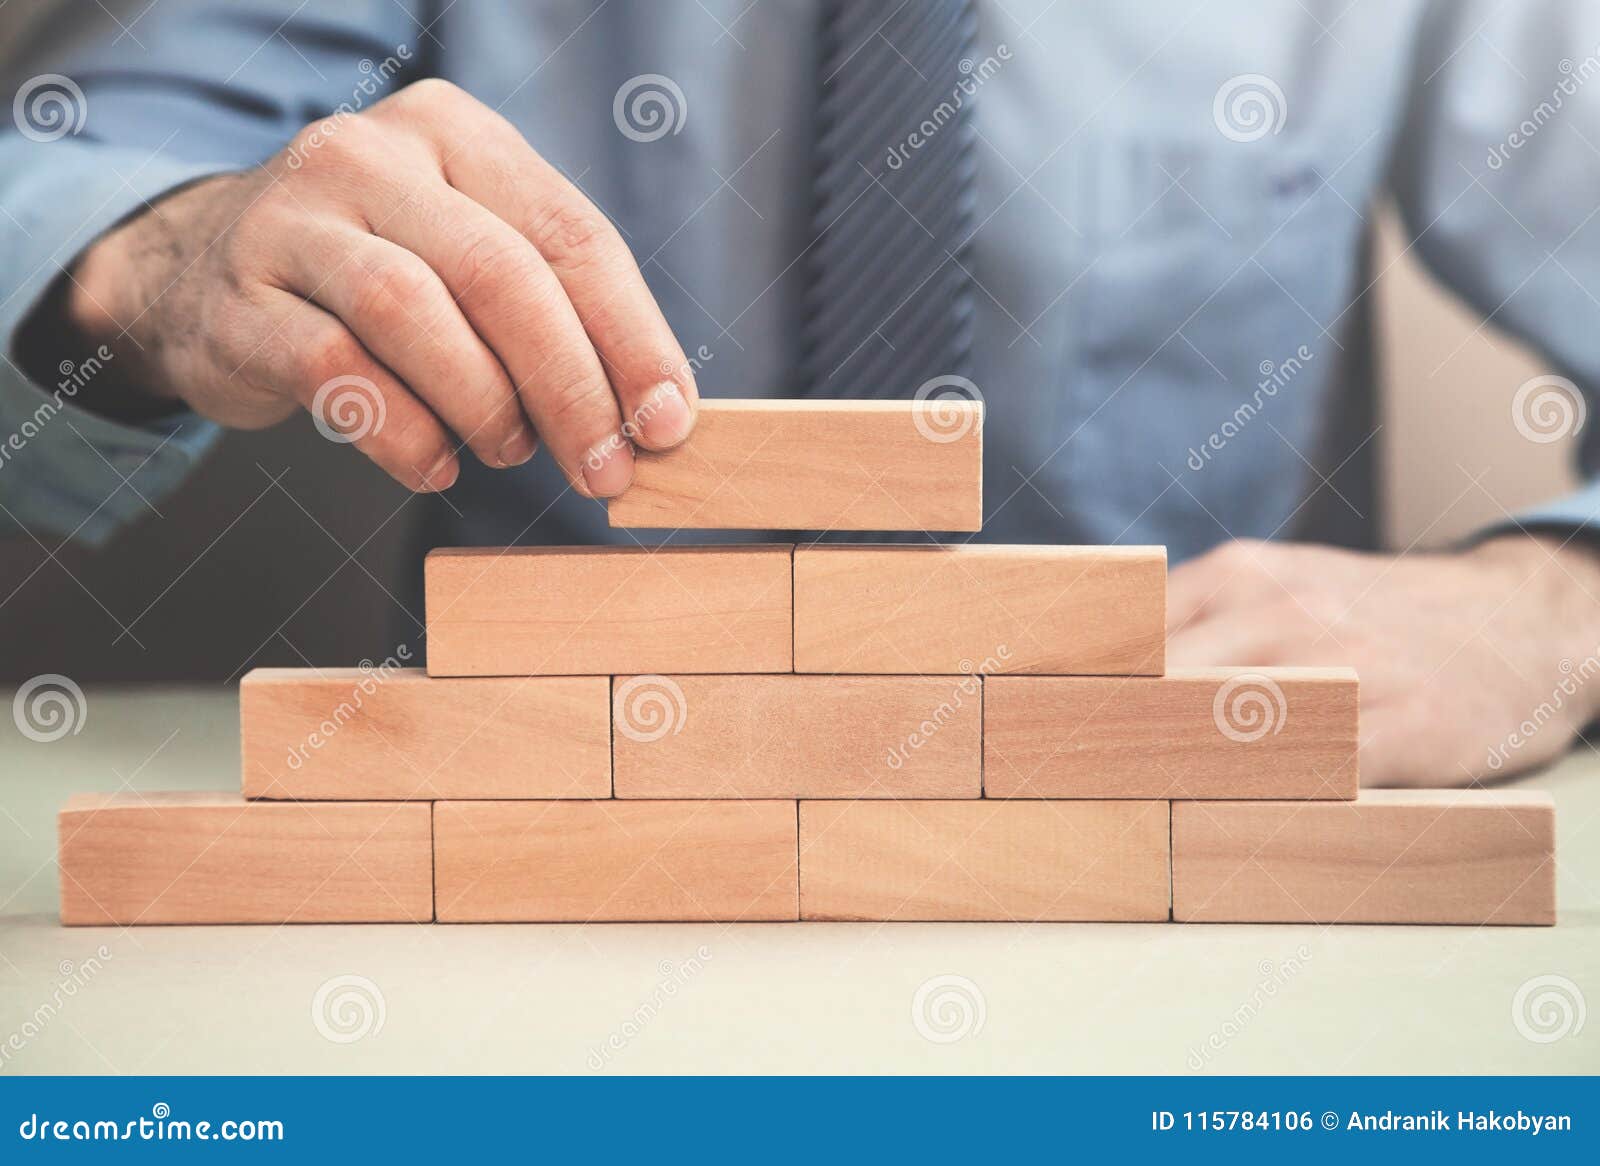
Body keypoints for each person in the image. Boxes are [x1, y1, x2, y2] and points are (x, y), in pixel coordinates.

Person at [2, 0, 1597, 786]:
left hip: (1150, 823)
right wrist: (154, 257)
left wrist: (1554, 601)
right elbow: (60, 167)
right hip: (532, 843)